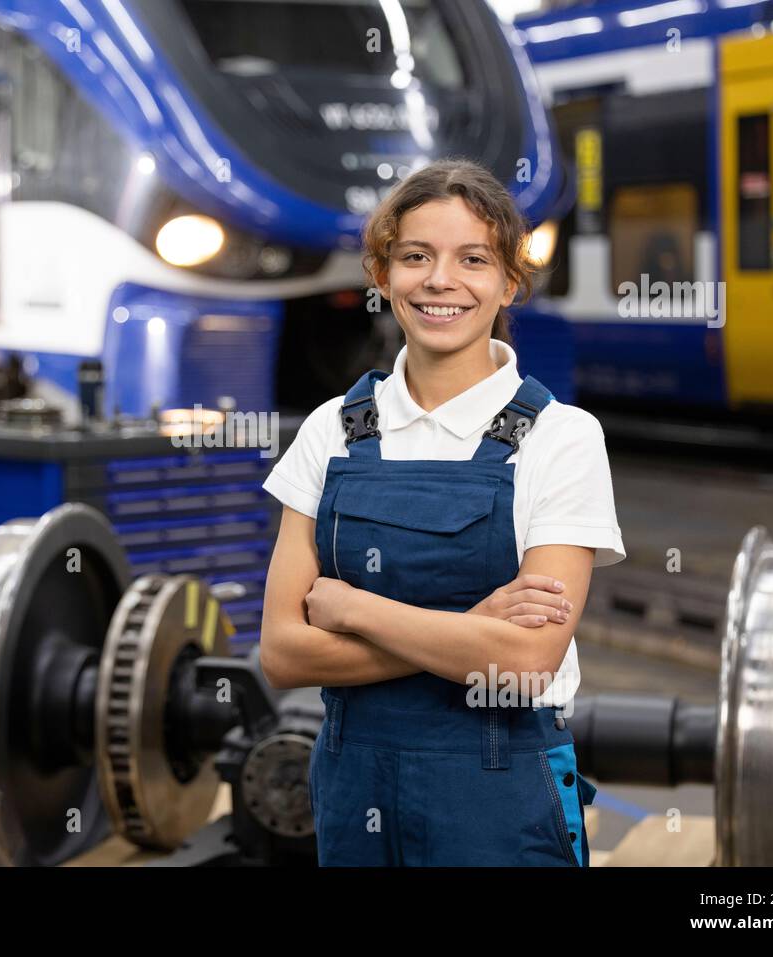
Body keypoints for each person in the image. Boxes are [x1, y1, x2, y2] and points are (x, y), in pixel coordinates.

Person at [258, 158, 626, 866]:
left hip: (502, 798)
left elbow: (523, 666)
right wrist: (471, 630)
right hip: (354, 793)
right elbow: (282, 652)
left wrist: (354, 608)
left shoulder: (563, 437)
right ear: (381, 272)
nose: (440, 281)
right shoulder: (331, 429)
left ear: (511, 280)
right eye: (415, 256)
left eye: (474, 259)